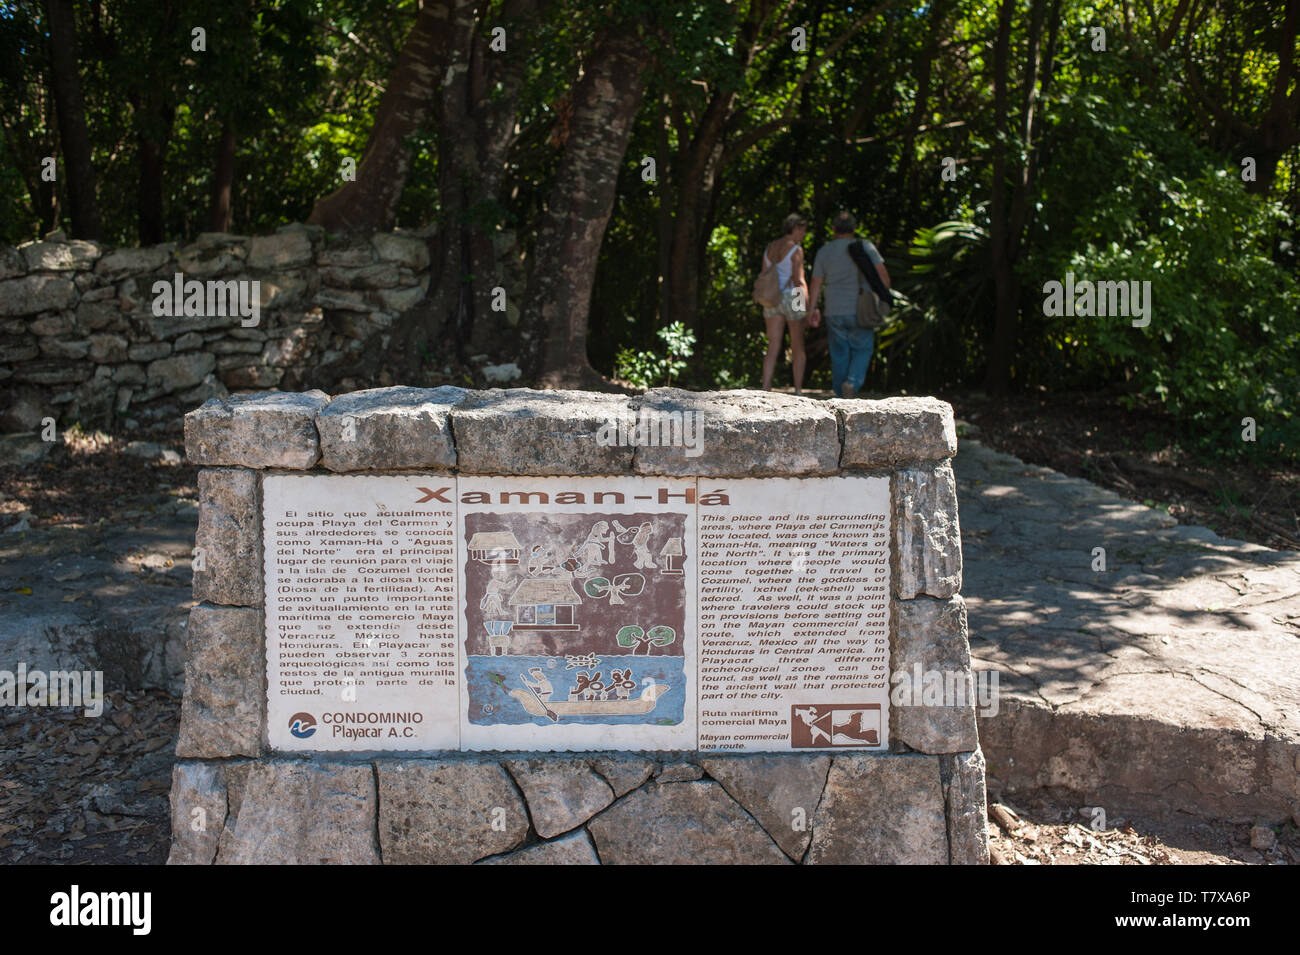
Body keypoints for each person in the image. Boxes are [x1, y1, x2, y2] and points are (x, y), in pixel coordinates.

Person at [808, 211, 890, 399]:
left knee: (839, 352)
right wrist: (880, 298)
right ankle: (852, 383)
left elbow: (816, 283)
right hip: (861, 308)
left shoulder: (824, 251)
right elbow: (884, 278)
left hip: (833, 310)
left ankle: (840, 395)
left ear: (833, 229)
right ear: (854, 228)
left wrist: (812, 309)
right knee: (863, 348)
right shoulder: (865, 247)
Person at [759, 213, 810, 393]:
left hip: (771, 298)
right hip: (792, 296)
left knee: (773, 344)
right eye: (802, 231)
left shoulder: (770, 247)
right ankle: (798, 389)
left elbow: (765, 274)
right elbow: (798, 280)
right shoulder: (796, 250)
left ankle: (766, 386)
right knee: (797, 344)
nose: (803, 235)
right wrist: (808, 305)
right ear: (795, 228)